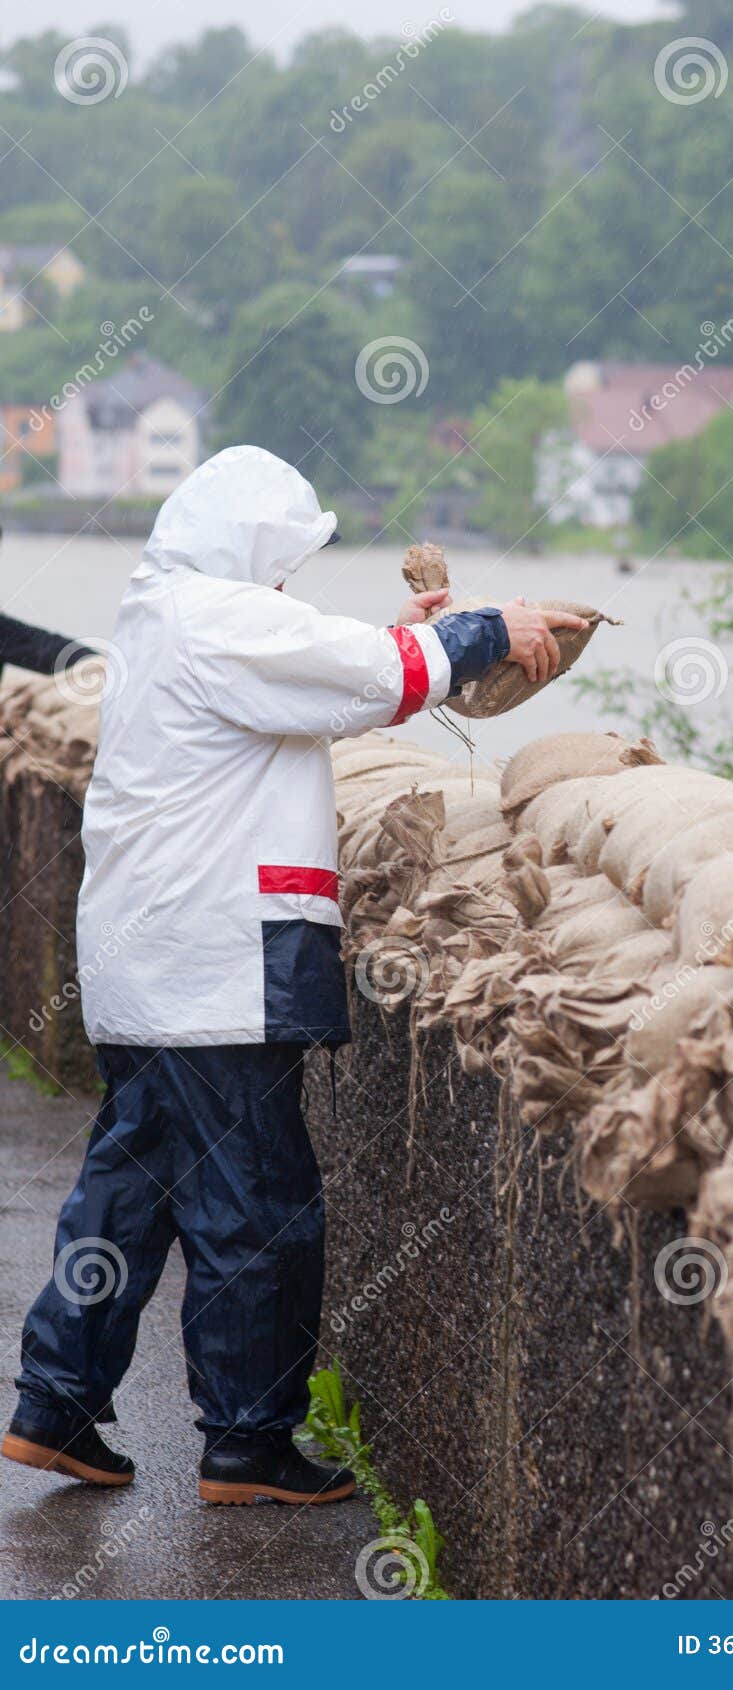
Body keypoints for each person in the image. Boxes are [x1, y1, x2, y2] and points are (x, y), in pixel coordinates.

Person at [2, 445, 585, 1506]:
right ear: (250, 547)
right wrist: (487, 632)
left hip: (149, 961)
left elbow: (337, 680)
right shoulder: (220, 615)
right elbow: (367, 671)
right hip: (220, 958)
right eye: (283, 561)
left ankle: (55, 1405)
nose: (285, 585)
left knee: (129, 1193)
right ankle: (246, 1443)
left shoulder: (167, 616)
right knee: (258, 1207)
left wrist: (427, 641)